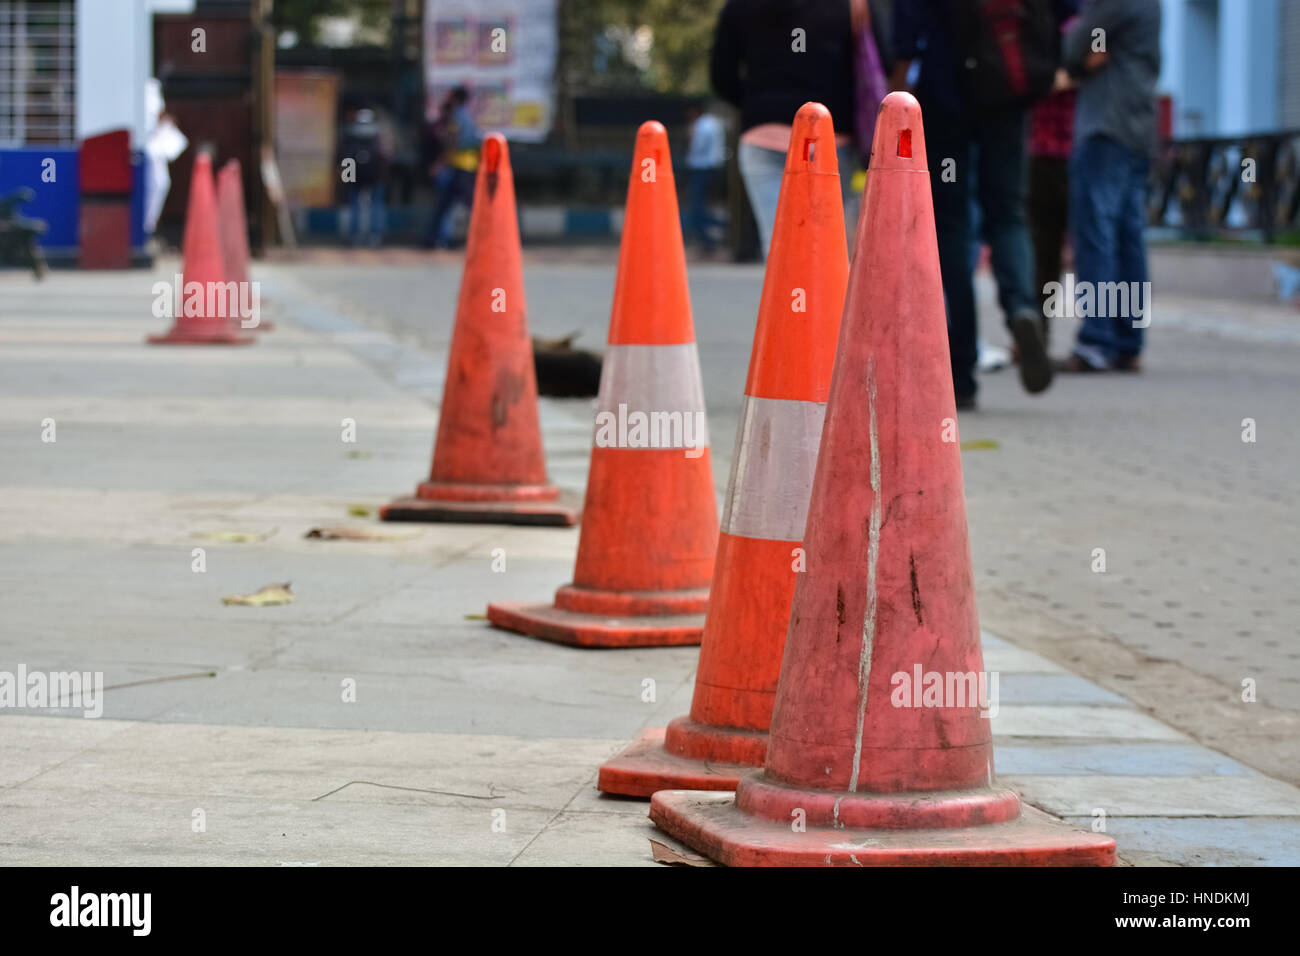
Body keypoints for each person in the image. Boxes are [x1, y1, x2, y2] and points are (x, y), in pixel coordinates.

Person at [892, 1, 1073, 408]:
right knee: (1009, 213)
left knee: (952, 230)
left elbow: (907, 34)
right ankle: (1021, 310)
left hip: (945, 98)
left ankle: (960, 373)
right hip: (1008, 90)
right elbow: (1066, 13)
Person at [711, 0, 888, 259]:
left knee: (778, 249)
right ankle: (826, 300)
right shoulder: (852, 5)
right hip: (829, 139)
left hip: (763, 135)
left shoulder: (739, 6)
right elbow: (882, 62)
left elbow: (721, 76)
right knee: (825, 249)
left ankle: (787, 299)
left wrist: (758, 104)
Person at [1058, 0, 1161, 373]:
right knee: (1127, 236)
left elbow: (1074, 47)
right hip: (1136, 128)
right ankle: (1126, 341)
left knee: (1096, 233)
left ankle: (1097, 342)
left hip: (1105, 127)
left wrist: (1081, 52)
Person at [1028, 66, 1078, 353]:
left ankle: (1038, 329)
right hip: (1058, 152)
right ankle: (1037, 329)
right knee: (1045, 252)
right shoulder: (1078, 33)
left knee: (1044, 251)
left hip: (1055, 152)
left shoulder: (1081, 33)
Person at [424, 86, 480, 250]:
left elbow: (453, 144)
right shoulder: (469, 117)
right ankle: (433, 237)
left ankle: (485, 238)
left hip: (460, 168)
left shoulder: (457, 118)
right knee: (445, 205)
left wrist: (439, 164)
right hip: (466, 167)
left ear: (455, 99)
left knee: (467, 206)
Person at [338, 107, 390, 247]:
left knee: (355, 205)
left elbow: (345, 157)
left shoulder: (351, 134)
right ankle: (376, 235)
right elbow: (385, 156)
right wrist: (383, 175)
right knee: (376, 206)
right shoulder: (378, 135)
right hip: (375, 176)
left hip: (356, 175)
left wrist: (346, 178)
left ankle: (354, 235)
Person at [683, 103, 727, 254]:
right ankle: (716, 232)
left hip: (701, 168)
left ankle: (711, 238)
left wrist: (690, 136)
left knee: (697, 207)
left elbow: (698, 148)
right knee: (700, 206)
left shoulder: (701, 127)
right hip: (712, 168)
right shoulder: (713, 124)